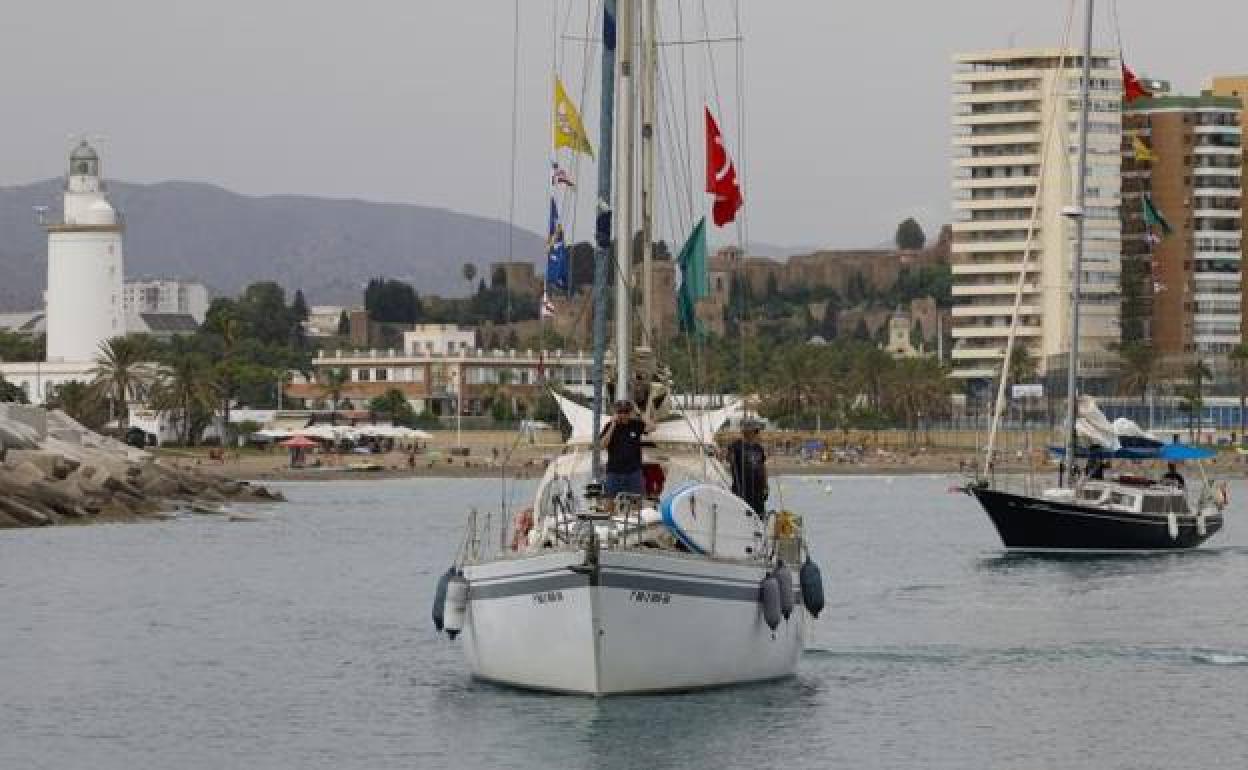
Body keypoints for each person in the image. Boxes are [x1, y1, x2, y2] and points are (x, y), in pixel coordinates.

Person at [600, 400, 652, 501]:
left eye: (626, 412)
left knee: (637, 502)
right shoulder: (609, 426)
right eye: (620, 412)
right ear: (616, 412)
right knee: (609, 501)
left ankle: (635, 516)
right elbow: (602, 445)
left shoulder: (636, 424)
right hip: (614, 471)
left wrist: (639, 413)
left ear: (630, 413)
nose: (623, 414)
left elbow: (652, 427)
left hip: (634, 471)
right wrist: (613, 424)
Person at [727, 419, 769, 516]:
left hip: (758, 490)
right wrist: (730, 455)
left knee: (759, 515)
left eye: (757, 431)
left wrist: (766, 485)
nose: (757, 434)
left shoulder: (758, 448)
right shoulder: (736, 445)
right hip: (742, 489)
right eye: (755, 431)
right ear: (747, 432)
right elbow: (729, 459)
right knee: (744, 515)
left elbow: (763, 466)